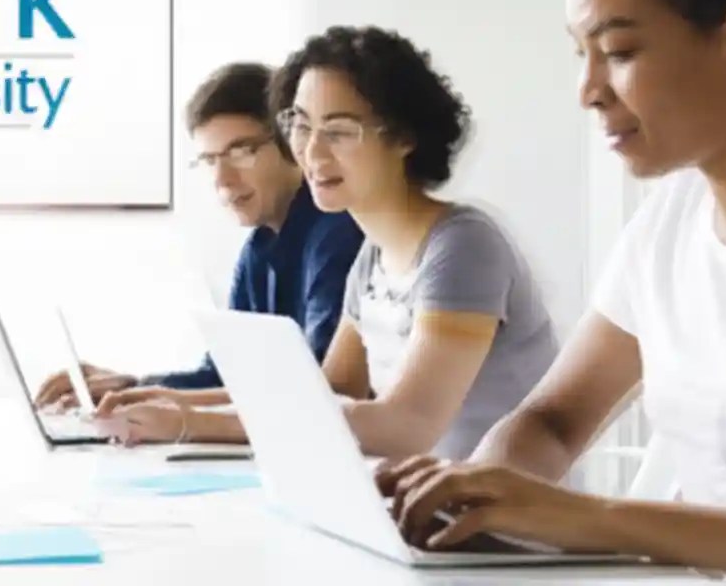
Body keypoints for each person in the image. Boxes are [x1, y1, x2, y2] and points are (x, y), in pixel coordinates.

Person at [377, 0, 726, 573]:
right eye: (582, 54)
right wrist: (473, 498)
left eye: (619, 51)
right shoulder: (668, 221)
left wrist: (592, 517)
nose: (588, 91)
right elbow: (553, 420)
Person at [100, 27, 560, 457]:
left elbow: (405, 426)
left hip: (499, 530)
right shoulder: (372, 259)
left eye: (339, 131)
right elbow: (328, 394)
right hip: (420, 514)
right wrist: (169, 405)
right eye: (301, 126)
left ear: (403, 137)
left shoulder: (463, 245)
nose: (312, 153)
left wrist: (189, 422)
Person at [33, 62, 364, 438]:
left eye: (241, 152)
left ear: (294, 143)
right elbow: (224, 374)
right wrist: (130, 388)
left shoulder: (338, 233)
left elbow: (323, 389)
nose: (222, 180)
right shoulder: (259, 249)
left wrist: (170, 410)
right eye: (210, 161)